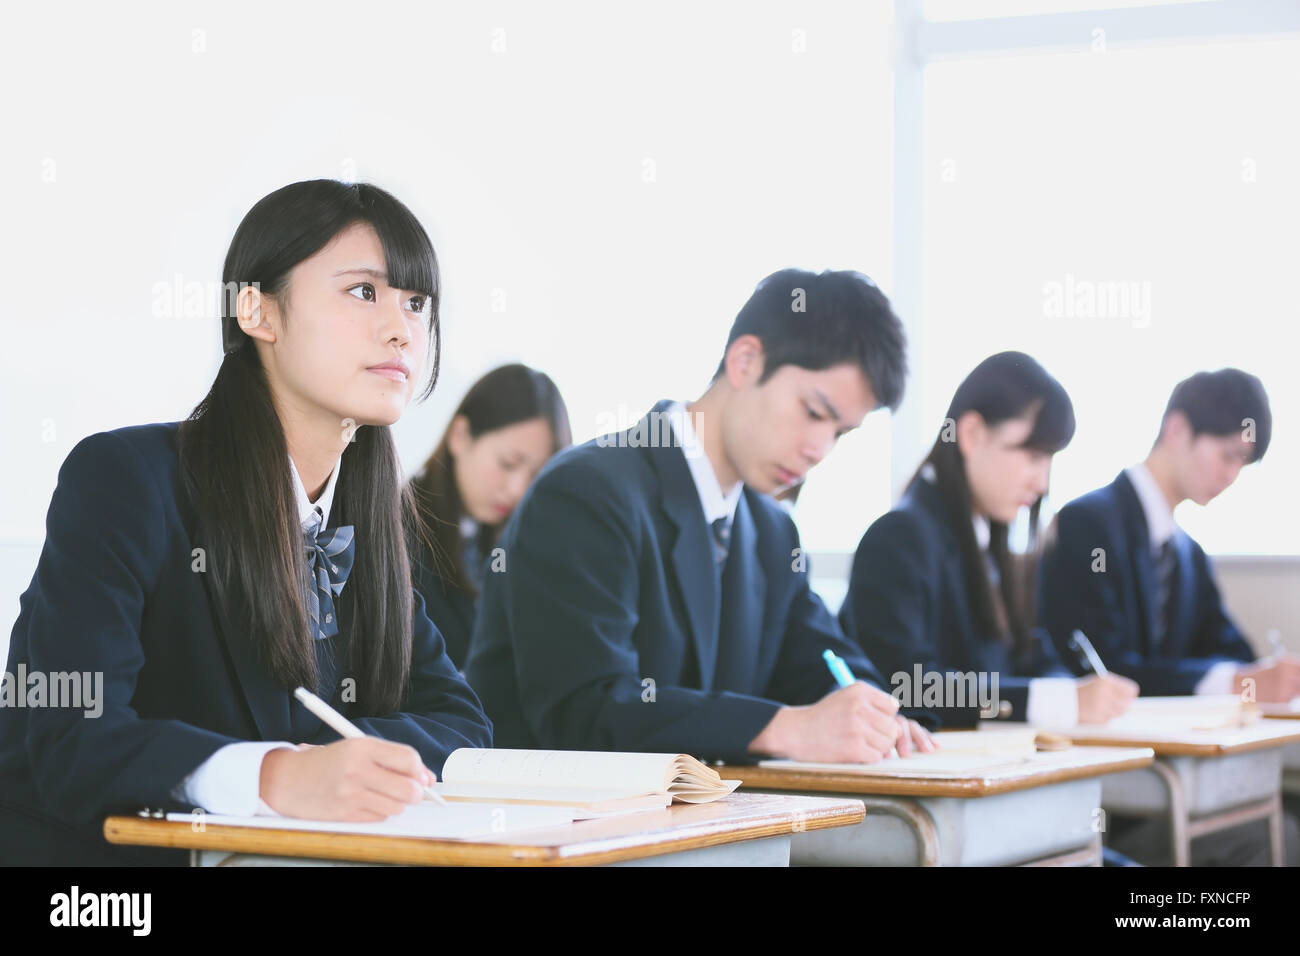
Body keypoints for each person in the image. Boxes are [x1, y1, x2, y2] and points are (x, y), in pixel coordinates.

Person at [0, 180, 492, 865]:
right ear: (257, 311)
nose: (402, 328)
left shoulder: (364, 517)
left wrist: (330, 767)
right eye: (363, 292)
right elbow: (71, 740)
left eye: (416, 303)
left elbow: (463, 723)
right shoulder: (125, 478)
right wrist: (276, 774)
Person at [465, 268, 936, 763]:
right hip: (550, 825)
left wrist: (876, 714)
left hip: (700, 829)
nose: (820, 449)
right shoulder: (586, 492)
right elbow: (588, 708)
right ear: (746, 360)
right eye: (815, 412)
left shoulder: (772, 531)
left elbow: (820, 659)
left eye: (841, 433)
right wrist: (783, 728)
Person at [840, 351, 1137, 729]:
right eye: (1031, 455)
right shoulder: (900, 537)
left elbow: (1030, 653)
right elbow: (909, 686)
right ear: (972, 435)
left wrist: (1069, 691)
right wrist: (1050, 701)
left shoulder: (989, 537)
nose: (1041, 482)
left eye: (1049, 460)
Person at [1039, 368, 1298, 701]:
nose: (1232, 475)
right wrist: (1230, 682)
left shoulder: (1190, 555)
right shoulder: (1086, 523)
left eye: (1242, 465)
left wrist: (1257, 675)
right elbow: (1100, 668)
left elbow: (1234, 652)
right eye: (1228, 455)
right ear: (1176, 429)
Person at [408, 364, 571, 669]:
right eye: (508, 463)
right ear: (460, 435)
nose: (517, 489)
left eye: (537, 475)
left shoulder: (510, 544)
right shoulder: (396, 530)